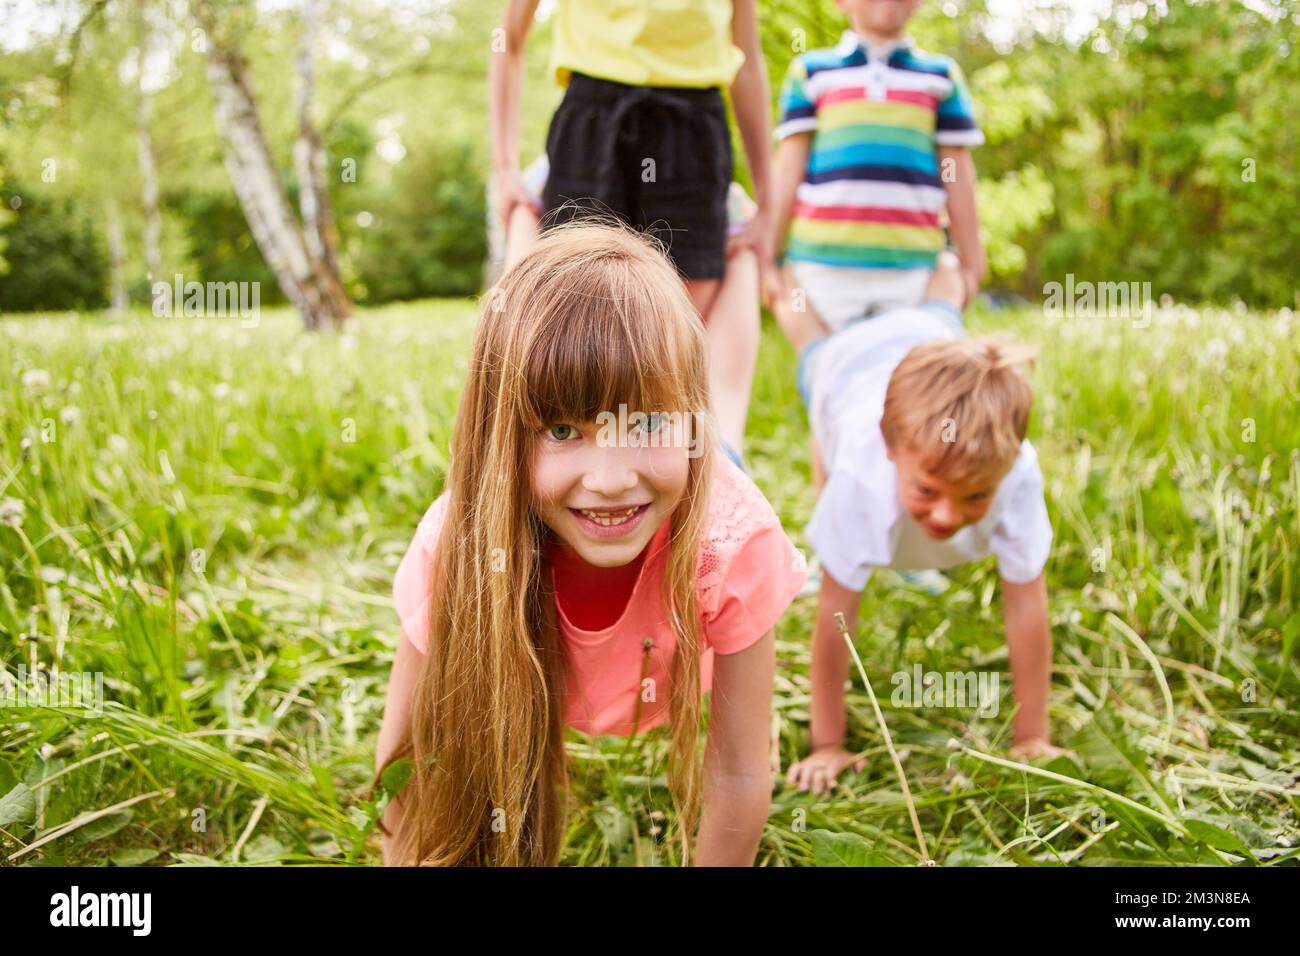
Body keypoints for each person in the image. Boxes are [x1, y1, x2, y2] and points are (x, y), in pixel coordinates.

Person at [375, 223, 807, 864]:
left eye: (650, 421)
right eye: (560, 428)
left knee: (728, 404)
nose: (610, 479)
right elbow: (407, 761)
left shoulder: (735, 541)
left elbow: (741, 771)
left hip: (687, 502)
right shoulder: (456, 545)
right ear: (503, 436)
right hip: (652, 489)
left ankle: (742, 250)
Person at [772, 251, 1066, 795]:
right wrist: (827, 745)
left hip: (932, 333)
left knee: (943, 302)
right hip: (845, 363)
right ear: (890, 451)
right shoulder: (859, 479)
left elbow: (1027, 603)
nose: (948, 517)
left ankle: (946, 256)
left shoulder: (1018, 472)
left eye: (975, 495)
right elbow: (835, 617)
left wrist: (1032, 736)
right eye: (927, 491)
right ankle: (776, 267)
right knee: (805, 331)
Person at [489, 0, 775, 464]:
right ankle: (550, 463)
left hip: (692, 124)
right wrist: (503, 170)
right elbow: (509, 38)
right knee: (566, 322)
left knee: (670, 342)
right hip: (591, 118)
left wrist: (768, 201)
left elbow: (748, 61)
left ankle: (705, 470)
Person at [765, 0, 987, 332]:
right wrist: (768, 256)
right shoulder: (812, 72)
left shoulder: (940, 77)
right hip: (823, 270)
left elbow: (956, 176)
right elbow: (787, 172)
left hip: (911, 271)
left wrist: (972, 262)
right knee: (834, 373)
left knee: (909, 374)